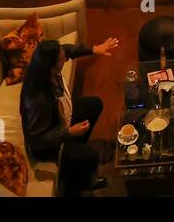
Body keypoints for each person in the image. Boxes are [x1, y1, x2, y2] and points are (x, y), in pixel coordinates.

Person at [21, 36, 119, 196]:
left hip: (61, 119)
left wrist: (95, 49)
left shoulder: (42, 65)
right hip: (50, 145)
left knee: (95, 104)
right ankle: (80, 179)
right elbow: (37, 140)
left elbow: (66, 50)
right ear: (51, 67)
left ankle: (76, 150)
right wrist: (69, 133)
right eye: (61, 60)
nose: (65, 59)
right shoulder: (39, 101)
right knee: (92, 157)